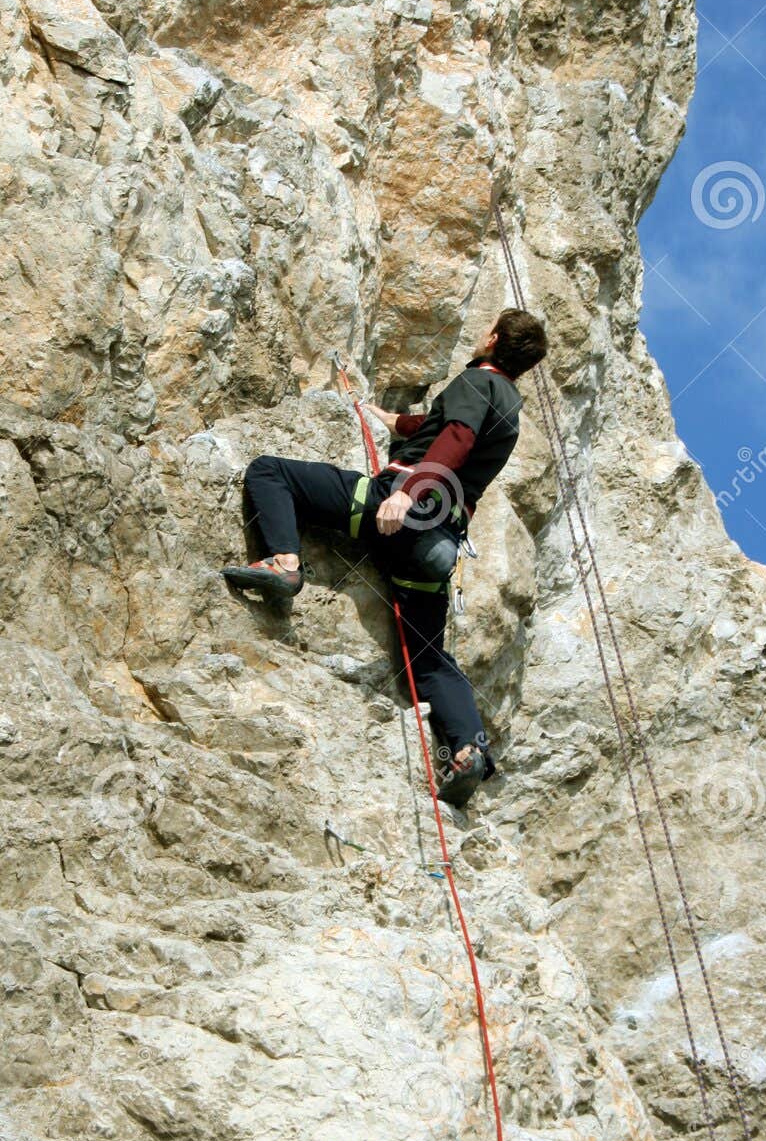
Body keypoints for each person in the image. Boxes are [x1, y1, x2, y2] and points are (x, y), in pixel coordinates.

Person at [222, 309, 548, 808]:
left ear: (493, 338)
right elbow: (431, 427)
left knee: (271, 473)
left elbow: (454, 438)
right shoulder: (508, 408)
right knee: (428, 660)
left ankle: (285, 564)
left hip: (398, 512)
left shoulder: (478, 381)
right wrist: (385, 417)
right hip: (435, 548)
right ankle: (467, 749)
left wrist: (409, 492)